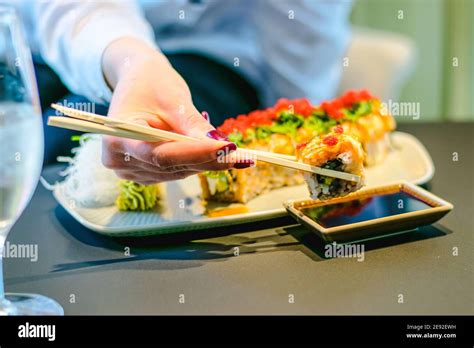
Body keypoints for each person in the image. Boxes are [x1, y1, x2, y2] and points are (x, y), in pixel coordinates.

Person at [19, 0, 352, 184]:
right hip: (47, 39)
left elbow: (303, 36)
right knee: (21, 135)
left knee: (70, 140)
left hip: (209, 55)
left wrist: (296, 139)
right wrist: (133, 61)